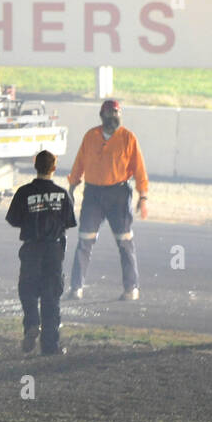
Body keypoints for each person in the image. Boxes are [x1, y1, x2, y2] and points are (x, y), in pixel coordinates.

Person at [66, 99, 148, 301]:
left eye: (116, 114)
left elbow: (139, 170)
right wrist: (72, 185)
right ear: (101, 116)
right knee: (85, 241)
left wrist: (143, 196)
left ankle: (131, 289)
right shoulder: (91, 136)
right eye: (109, 114)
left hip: (118, 195)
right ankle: (76, 288)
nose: (113, 118)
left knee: (125, 242)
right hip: (93, 195)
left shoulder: (128, 138)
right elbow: (79, 163)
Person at [6, 149, 76, 355]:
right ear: (54, 168)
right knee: (51, 295)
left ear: (35, 166)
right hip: (54, 250)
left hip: (31, 248)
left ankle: (31, 324)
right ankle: (50, 345)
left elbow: (13, 220)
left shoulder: (23, 192)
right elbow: (69, 222)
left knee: (27, 290)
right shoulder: (62, 194)